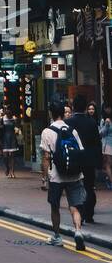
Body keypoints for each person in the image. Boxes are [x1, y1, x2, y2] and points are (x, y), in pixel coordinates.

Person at [40, 99, 86, 250]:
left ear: (51, 114)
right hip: (74, 174)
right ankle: (78, 231)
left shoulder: (47, 132)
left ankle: (57, 237)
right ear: (63, 113)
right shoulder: (72, 130)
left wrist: (44, 178)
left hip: (56, 176)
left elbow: (46, 157)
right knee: (75, 206)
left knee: (55, 207)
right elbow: (80, 152)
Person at [67, 94, 102, 224]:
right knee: (89, 187)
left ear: (74, 107)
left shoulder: (68, 122)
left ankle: (79, 214)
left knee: (75, 187)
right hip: (89, 160)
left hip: (75, 160)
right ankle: (89, 214)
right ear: (85, 108)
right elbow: (97, 143)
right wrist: (98, 161)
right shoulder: (92, 122)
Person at [0, 105, 19, 179]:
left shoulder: (14, 118)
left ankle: (12, 171)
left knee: (12, 156)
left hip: (12, 137)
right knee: (5, 156)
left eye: (9, 110)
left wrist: (16, 125)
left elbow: (17, 128)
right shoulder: (2, 119)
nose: (8, 111)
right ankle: (7, 168)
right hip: (4, 138)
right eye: (6, 110)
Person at [100, 104, 112, 190]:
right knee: (108, 164)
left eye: (109, 107)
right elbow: (101, 133)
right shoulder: (103, 120)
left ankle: (108, 179)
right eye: (106, 108)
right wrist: (106, 125)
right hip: (107, 144)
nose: (108, 109)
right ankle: (111, 181)